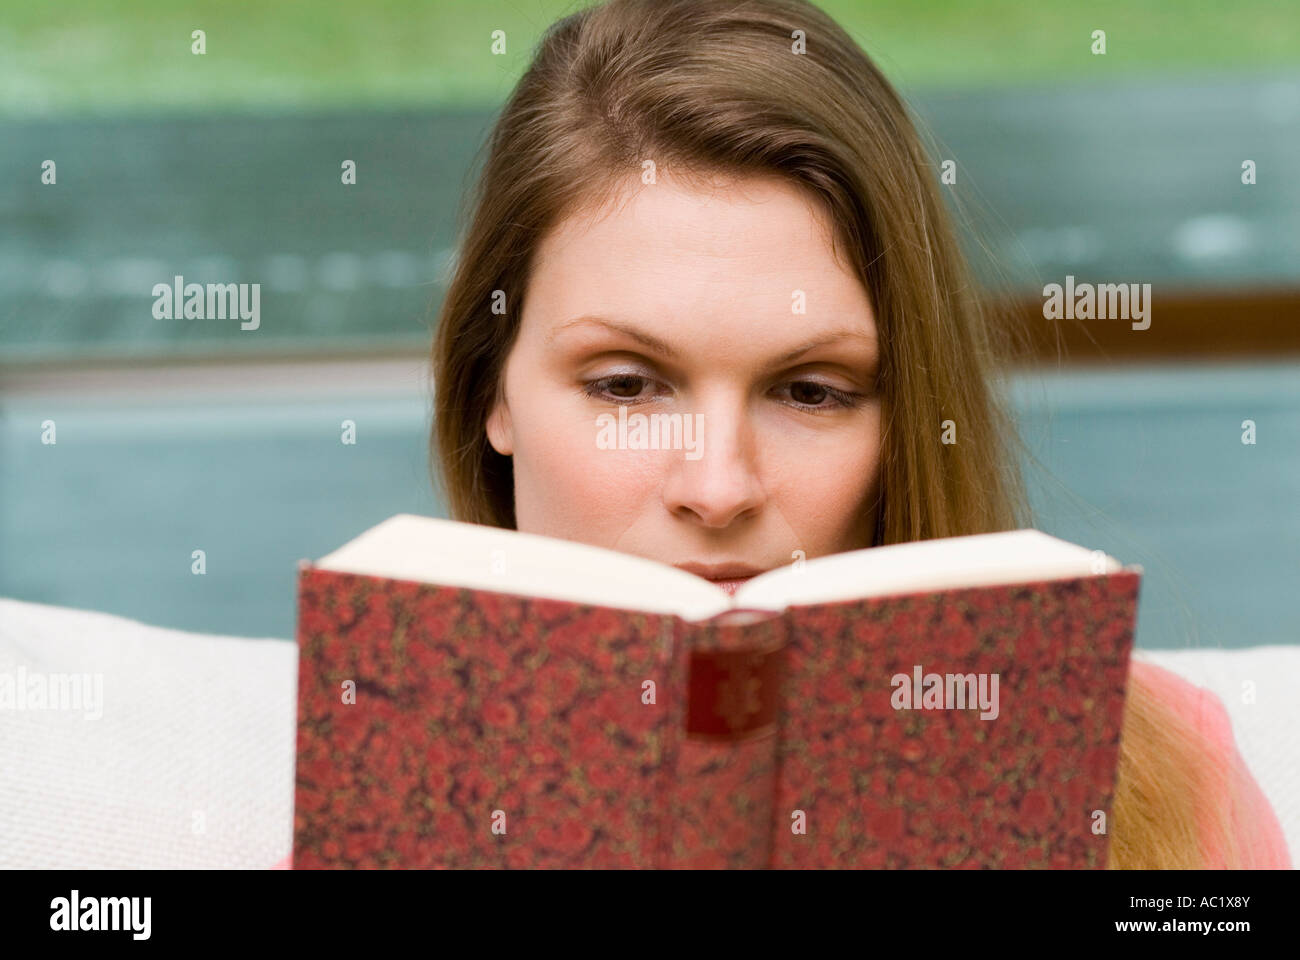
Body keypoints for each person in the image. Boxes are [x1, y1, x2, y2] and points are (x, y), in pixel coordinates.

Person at [429, 0, 1290, 868]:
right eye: (624, 385)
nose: (719, 486)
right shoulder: (387, 765)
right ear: (489, 393)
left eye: (810, 392)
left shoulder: (1162, 784)